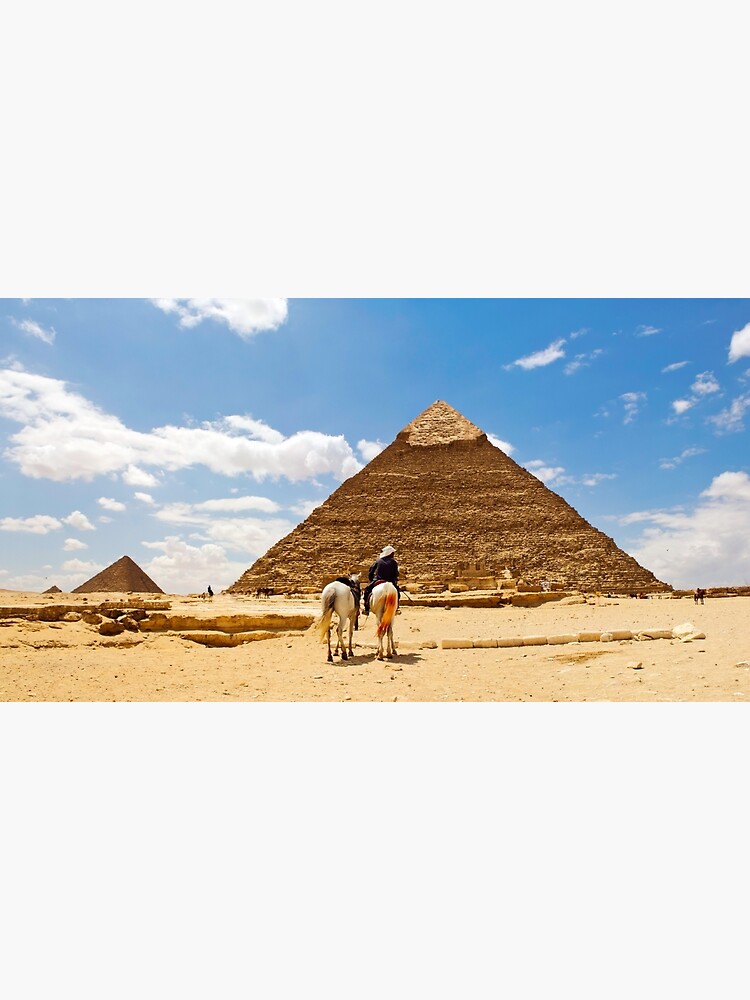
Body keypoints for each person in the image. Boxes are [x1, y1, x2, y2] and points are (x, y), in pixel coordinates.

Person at [363, 545, 399, 615]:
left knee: (367, 591)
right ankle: (397, 608)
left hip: (378, 580)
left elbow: (371, 571)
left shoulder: (378, 561)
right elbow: (396, 574)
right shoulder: (394, 562)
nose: (393, 554)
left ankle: (366, 609)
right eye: (393, 553)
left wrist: (371, 579)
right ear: (390, 553)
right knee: (397, 592)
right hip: (390, 581)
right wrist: (395, 580)